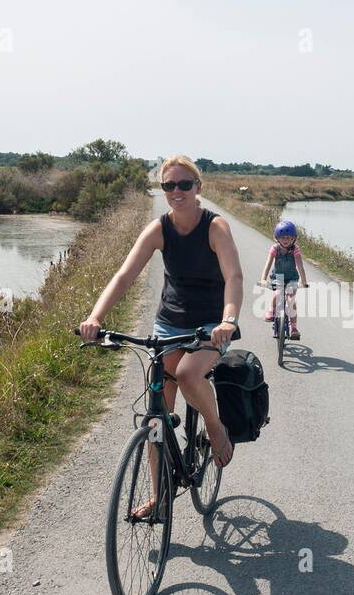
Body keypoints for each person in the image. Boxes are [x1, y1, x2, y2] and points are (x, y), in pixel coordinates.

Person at [79, 155, 243, 515]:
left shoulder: (215, 227)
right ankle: (159, 497)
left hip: (209, 328)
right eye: (169, 185)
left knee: (187, 374)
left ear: (198, 188)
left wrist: (228, 320)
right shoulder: (158, 229)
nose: (177, 191)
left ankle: (215, 428)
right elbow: (124, 276)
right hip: (168, 326)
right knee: (156, 419)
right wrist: (95, 317)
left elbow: (234, 278)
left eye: (185, 184)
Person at [258, 220, 309, 339]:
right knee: (278, 292)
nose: (285, 240)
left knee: (291, 300)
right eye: (282, 237)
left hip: (292, 278)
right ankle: (271, 310)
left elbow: (300, 266)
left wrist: (304, 281)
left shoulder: (295, 249)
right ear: (277, 238)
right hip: (278, 277)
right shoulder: (275, 249)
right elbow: (268, 263)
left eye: (288, 237)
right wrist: (263, 279)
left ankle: (294, 328)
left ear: (293, 238)